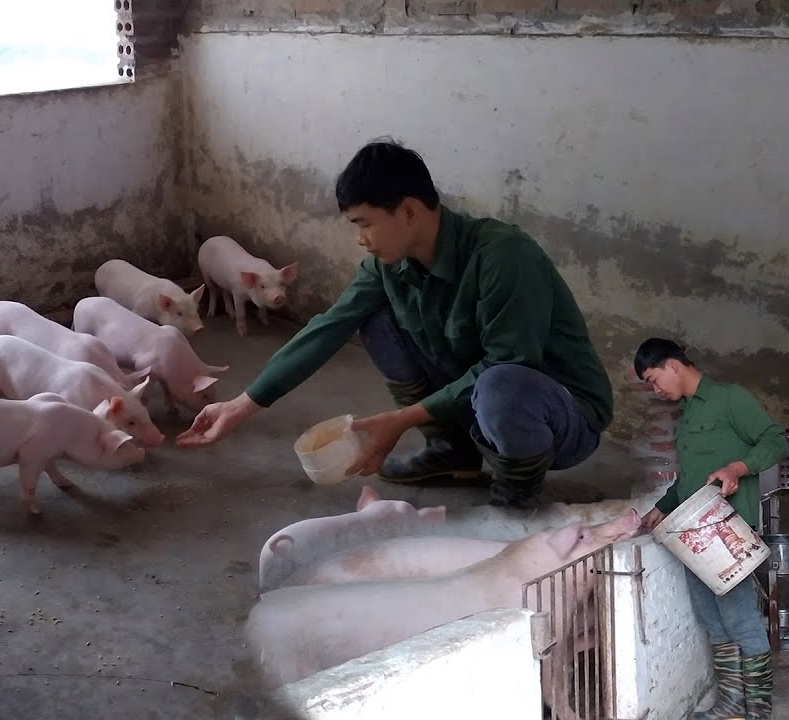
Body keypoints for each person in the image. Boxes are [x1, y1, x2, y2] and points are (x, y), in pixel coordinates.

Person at [176, 139, 614, 510]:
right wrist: (241, 405)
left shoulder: (504, 256)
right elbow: (327, 328)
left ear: (407, 211)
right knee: (376, 320)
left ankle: (516, 496)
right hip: (479, 403)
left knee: (501, 384)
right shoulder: (389, 266)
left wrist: (399, 419)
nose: (360, 238)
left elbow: (512, 362)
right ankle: (450, 450)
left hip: (560, 416)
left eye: (364, 223)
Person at [636, 338, 784, 720]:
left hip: (727, 532)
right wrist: (661, 508)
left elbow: (775, 439)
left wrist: (739, 468)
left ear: (673, 365)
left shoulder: (730, 399)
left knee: (740, 620)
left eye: (653, 379)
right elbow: (688, 482)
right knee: (712, 621)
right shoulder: (687, 417)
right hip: (691, 535)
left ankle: (760, 711)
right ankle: (733, 707)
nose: (655, 389)